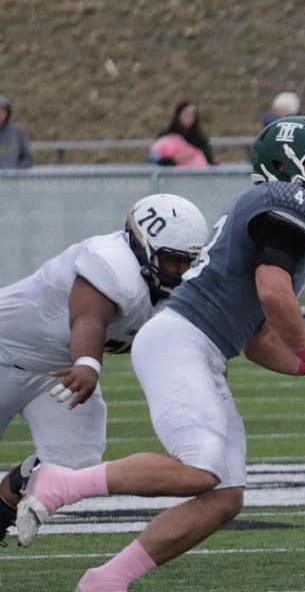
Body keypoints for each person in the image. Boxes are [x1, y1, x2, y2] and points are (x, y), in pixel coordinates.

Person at [8, 117, 305, 592]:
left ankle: (109, 581)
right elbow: (273, 293)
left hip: (202, 348)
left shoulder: (271, 208)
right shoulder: (286, 199)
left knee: (224, 497)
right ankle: (62, 484)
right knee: (200, 467)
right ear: (283, 167)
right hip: (182, 340)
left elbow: (257, 337)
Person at [0, 195, 209, 542]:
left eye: (189, 262)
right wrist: (86, 363)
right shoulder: (111, 260)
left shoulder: (172, 290)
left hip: (57, 374)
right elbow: (89, 316)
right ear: (143, 246)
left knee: (74, 465)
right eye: (174, 260)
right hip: (9, 353)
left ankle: (15, 486)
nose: (182, 271)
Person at [149, 100, 216, 167]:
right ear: (178, 115)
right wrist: (174, 159)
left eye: (192, 115)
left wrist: (213, 161)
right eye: (186, 114)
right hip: (171, 175)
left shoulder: (199, 137)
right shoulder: (166, 136)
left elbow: (208, 158)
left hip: (196, 175)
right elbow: (155, 158)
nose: (189, 118)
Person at [0, 94, 34, 170]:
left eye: (2, 112)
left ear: (7, 113)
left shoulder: (19, 132)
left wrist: (17, 171)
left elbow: (27, 158)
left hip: (15, 179)